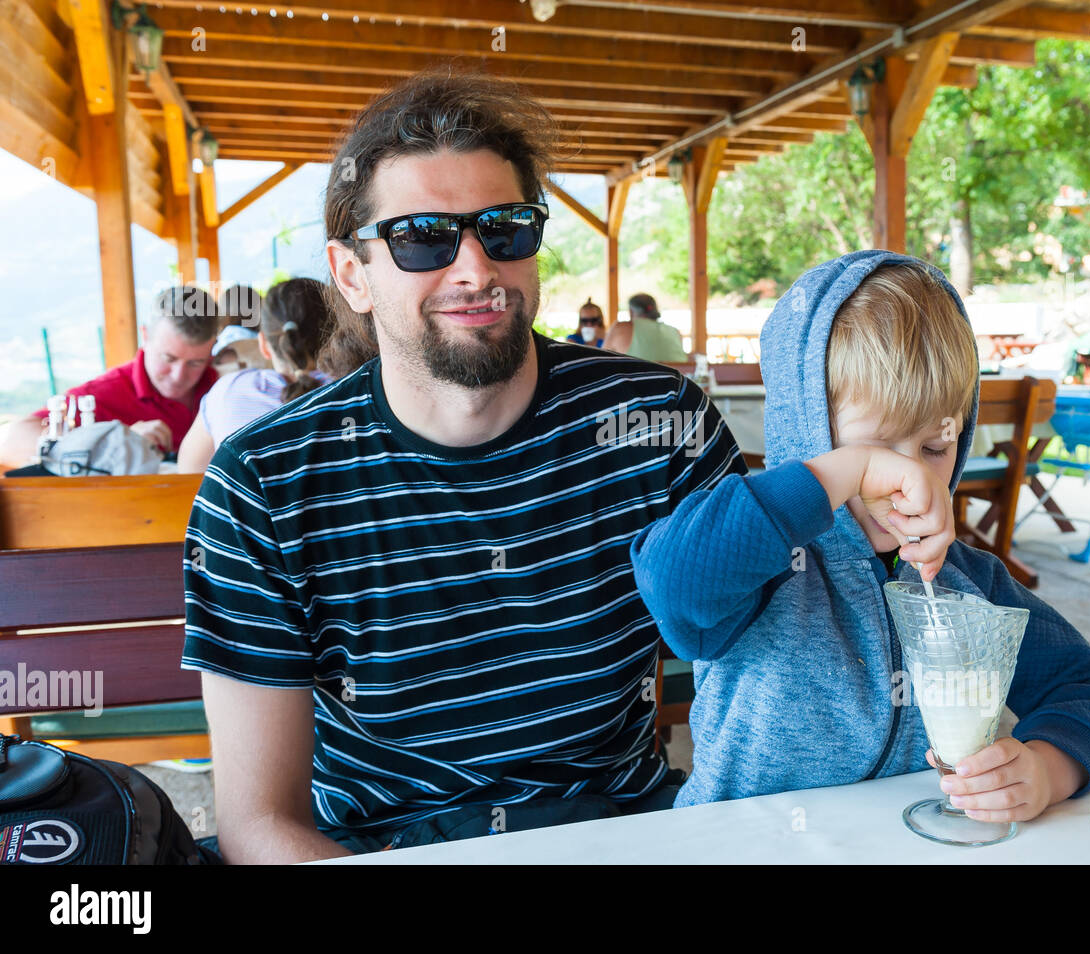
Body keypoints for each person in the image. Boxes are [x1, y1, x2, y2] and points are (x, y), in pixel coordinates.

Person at [180, 69, 745, 864]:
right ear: (353, 275)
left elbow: (787, 657)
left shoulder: (659, 427)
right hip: (378, 850)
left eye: (506, 228)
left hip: (613, 829)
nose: (477, 269)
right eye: (421, 237)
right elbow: (260, 823)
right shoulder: (265, 485)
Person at [631, 250, 1090, 815]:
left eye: (934, 448)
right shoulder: (765, 565)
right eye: (872, 453)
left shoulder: (970, 585)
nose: (909, 480)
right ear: (808, 435)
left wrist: (1049, 769)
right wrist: (837, 477)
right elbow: (672, 578)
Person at [0, 286, 220, 468]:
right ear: (145, 336)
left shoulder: (225, 388)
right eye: (168, 358)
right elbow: (11, 441)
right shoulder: (103, 394)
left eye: (195, 362)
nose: (178, 376)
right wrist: (115, 443)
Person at [177, 278, 334, 473]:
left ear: (264, 345)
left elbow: (189, 473)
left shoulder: (228, 392)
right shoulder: (362, 391)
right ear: (337, 335)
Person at [602, 292, 687, 362]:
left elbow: (602, 359)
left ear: (631, 311)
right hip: (676, 381)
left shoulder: (621, 327)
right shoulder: (675, 331)